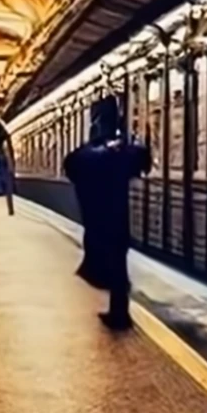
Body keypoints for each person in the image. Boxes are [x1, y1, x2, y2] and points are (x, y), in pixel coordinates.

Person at [63, 96, 151, 331]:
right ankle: (119, 311)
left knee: (106, 264)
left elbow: (71, 166)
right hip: (118, 217)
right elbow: (143, 161)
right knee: (117, 264)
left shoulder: (87, 156)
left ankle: (119, 314)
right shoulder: (124, 153)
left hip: (98, 219)